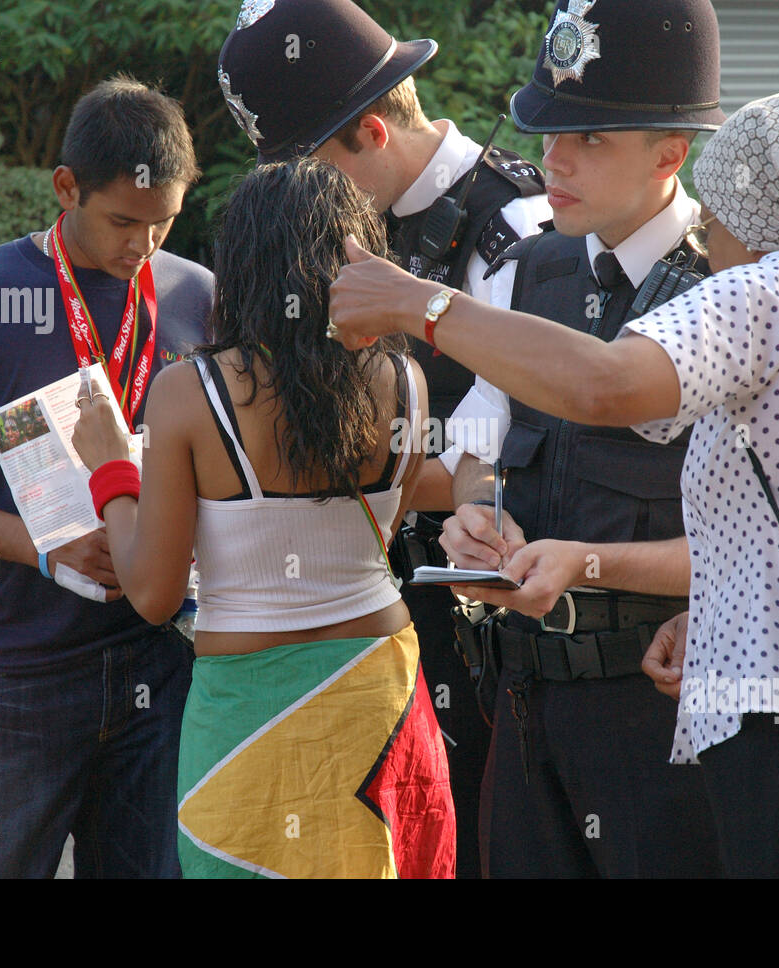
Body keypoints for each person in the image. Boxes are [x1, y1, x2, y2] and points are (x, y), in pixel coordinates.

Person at [329, 91, 779, 877]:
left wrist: (420, 303)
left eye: (716, 221)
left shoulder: (776, 290)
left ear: (756, 223)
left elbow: (604, 385)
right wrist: (709, 616)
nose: (706, 243)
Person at [393, 0, 727, 878]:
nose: (555, 159)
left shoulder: (729, 291)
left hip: (661, 717)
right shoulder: (531, 265)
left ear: (671, 151)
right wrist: (476, 522)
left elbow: (766, 539)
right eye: (547, 132)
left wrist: (588, 564)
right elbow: (481, 459)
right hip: (522, 704)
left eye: (590, 140)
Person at [215, 0, 549, 878]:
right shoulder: (344, 229)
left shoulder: (511, 225)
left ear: (369, 129)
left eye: (310, 167)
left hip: (490, 624)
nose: (301, 200)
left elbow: (507, 443)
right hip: (375, 621)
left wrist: (318, 483)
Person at [0, 76, 213, 877]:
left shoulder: (196, 295)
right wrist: (36, 547)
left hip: (159, 668)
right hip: (18, 670)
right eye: (123, 221)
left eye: (164, 224)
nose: (143, 247)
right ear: (66, 188)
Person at [71, 158, 455, 879]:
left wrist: (108, 468)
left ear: (240, 263)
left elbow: (152, 595)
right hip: (383, 695)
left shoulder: (190, 393)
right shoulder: (406, 379)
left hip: (244, 710)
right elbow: (385, 519)